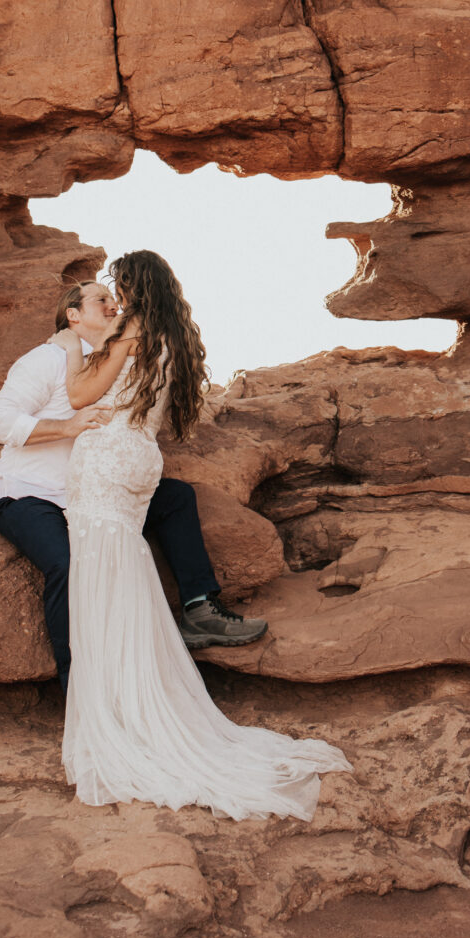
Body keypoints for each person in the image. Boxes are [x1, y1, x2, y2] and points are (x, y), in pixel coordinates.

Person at [52, 249, 350, 818]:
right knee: (124, 577)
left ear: (134, 287)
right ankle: (136, 700)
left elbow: (80, 397)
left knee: (101, 584)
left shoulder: (130, 329)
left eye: (118, 286)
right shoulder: (169, 335)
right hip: (140, 458)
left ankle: (121, 717)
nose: (113, 296)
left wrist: (76, 351)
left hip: (106, 461)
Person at [0, 280, 267, 693]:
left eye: (117, 299)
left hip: (95, 491)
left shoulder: (116, 358)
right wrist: (66, 426)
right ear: (73, 315)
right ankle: (75, 688)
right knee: (66, 563)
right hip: (31, 494)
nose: (115, 306)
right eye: (102, 300)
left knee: (177, 499)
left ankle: (198, 608)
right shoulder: (46, 359)